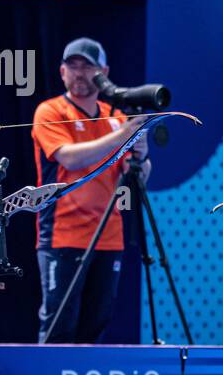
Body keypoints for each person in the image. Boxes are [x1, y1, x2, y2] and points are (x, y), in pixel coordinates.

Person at [31, 38, 150, 343]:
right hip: (63, 234)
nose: (79, 73)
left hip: (109, 236)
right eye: (72, 66)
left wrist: (142, 155)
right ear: (62, 72)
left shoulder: (116, 117)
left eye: (88, 66)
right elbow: (69, 157)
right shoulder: (51, 111)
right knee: (60, 321)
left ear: (104, 71)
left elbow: (137, 179)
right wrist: (124, 135)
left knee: (97, 322)